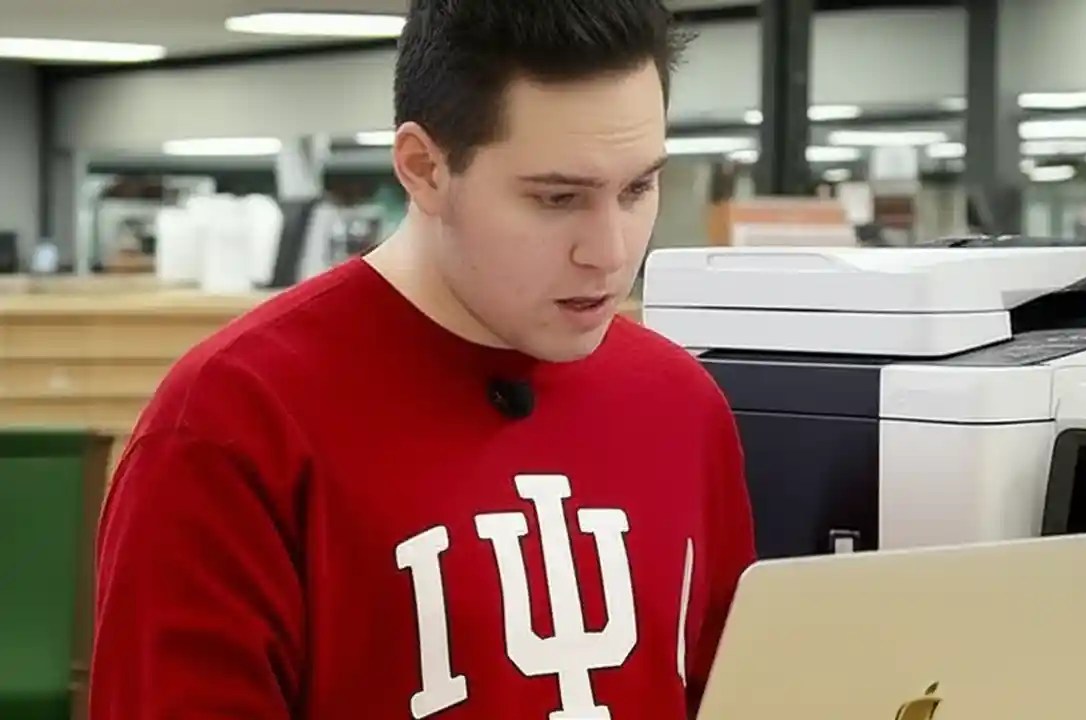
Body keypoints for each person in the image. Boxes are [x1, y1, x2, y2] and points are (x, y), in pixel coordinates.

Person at [89, 2, 757, 719]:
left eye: (636, 189)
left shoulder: (680, 406)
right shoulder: (232, 422)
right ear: (423, 168)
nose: (612, 252)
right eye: (558, 198)